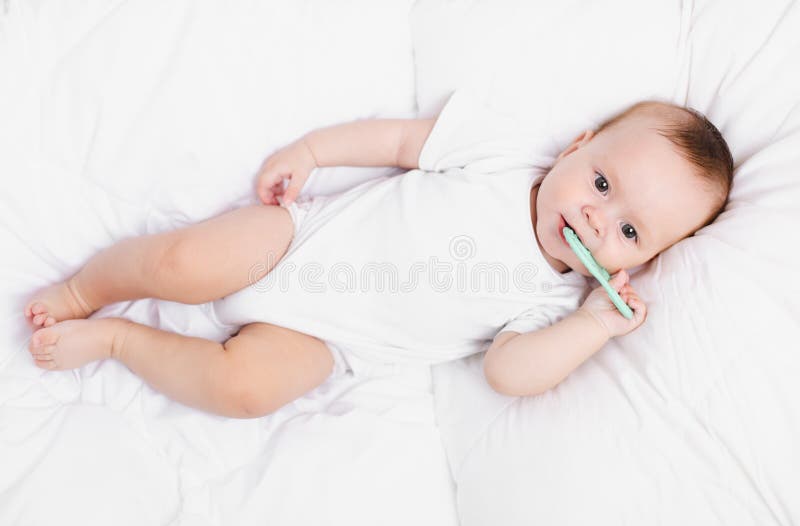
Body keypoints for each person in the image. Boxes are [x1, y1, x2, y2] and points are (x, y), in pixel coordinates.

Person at [22, 89, 733, 418]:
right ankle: (86, 294)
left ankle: (117, 339)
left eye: (629, 233)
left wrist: (596, 326)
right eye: (602, 183)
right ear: (579, 148)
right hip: (296, 244)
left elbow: (509, 374)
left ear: (633, 267)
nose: (594, 217)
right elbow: (398, 142)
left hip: (327, 341)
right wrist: (310, 152)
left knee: (245, 391)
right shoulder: (505, 155)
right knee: (177, 265)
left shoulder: (551, 303)